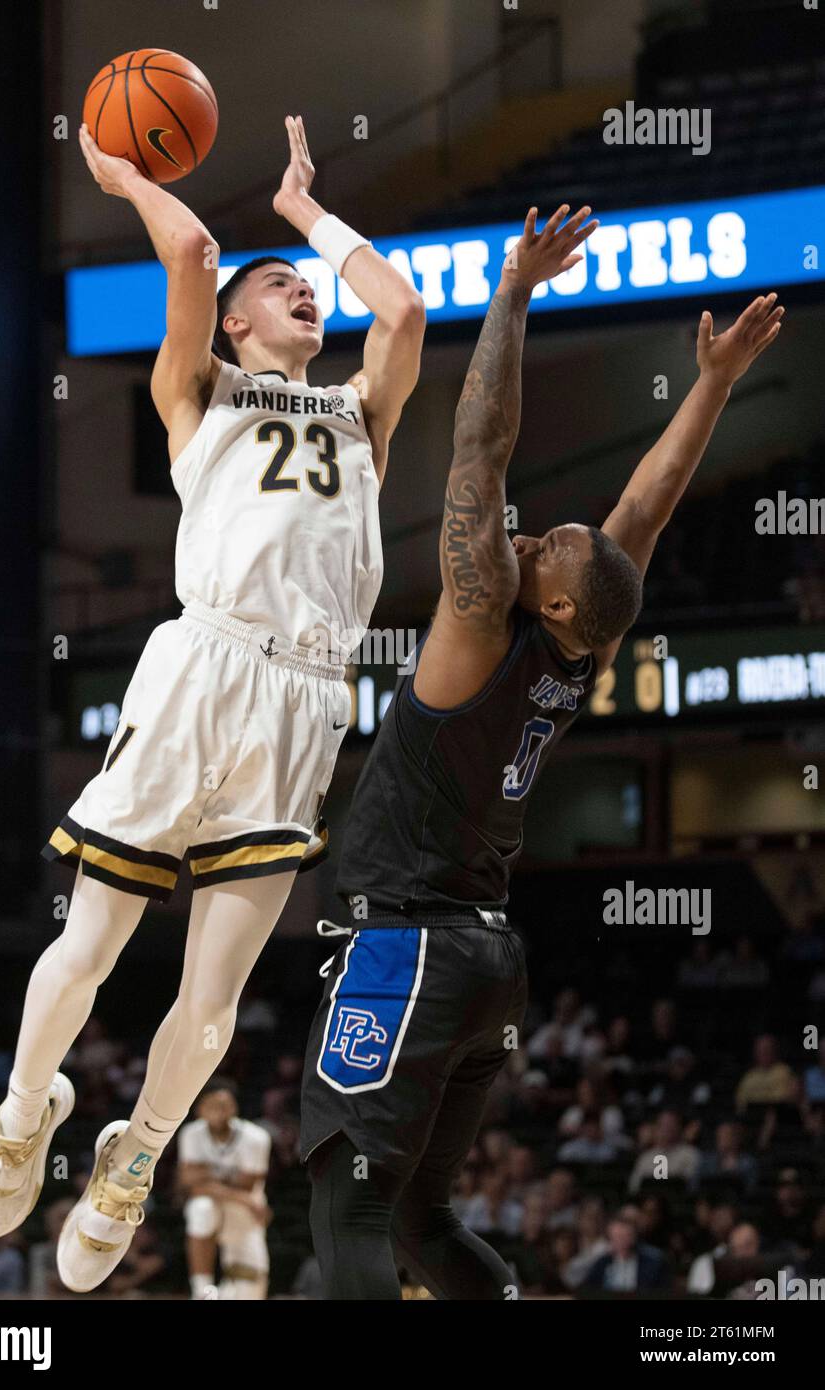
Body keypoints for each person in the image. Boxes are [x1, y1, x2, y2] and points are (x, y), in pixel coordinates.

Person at [0, 113, 425, 1296]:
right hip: (204, 666)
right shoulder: (202, 393)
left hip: (307, 698)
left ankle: (133, 1159)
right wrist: (122, 176)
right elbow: (183, 259)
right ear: (235, 321)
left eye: (304, 287)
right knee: (94, 941)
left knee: (213, 995)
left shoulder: (362, 414)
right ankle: (25, 1110)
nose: (302, 294)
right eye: (278, 287)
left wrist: (304, 217)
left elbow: (408, 310)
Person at [298, 198, 784, 1298]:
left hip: (408, 949)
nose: (533, 531)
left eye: (549, 546)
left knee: (352, 1210)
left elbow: (481, 447)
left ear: (555, 603)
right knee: (422, 1220)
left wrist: (513, 291)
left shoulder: (479, 629)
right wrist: (709, 380)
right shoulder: (578, 647)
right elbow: (645, 508)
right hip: (485, 968)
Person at [177, 1078, 272, 1300]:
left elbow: (247, 1184)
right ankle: (202, 1291)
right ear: (200, 1109)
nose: (219, 1111)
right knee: (200, 1209)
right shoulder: (190, 1134)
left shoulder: (256, 1137)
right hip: (243, 1204)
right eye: (212, 1105)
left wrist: (206, 1175)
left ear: (234, 1107)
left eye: (224, 1105)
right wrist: (237, 1190)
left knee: (251, 1292)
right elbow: (188, 1182)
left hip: (244, 1212)